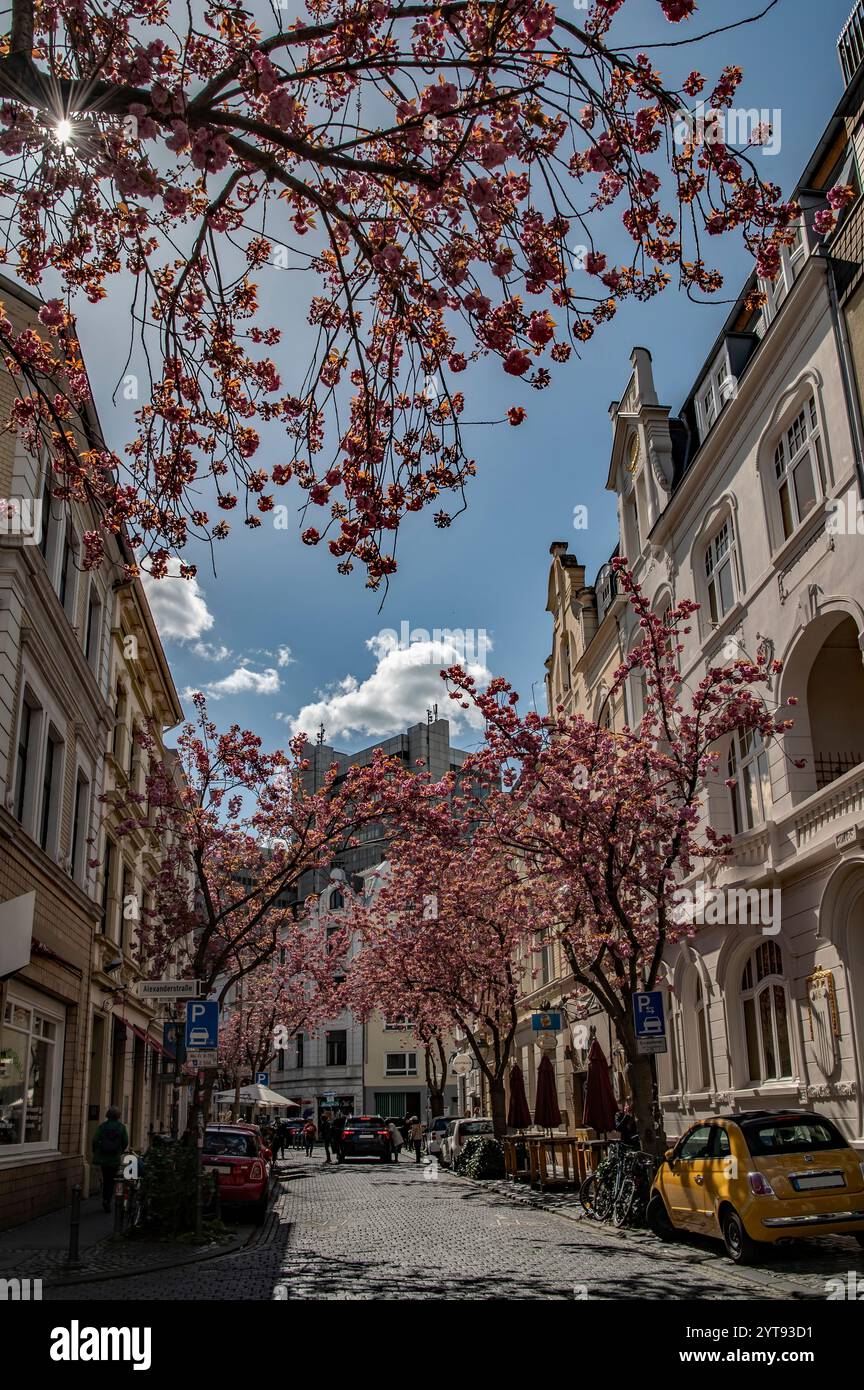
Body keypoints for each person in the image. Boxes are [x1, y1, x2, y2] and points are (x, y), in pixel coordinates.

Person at [92, 1105, 129, 1213]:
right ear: (118, 1116)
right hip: (114, 1158)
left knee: (106, 1178)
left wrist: (96, 1151)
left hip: (103, 1158)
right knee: (112, 1180)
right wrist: (120, 1151)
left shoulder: (102, 1127)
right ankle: (108, 1199)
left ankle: (105, 1198)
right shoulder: (121, 1127)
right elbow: (125, 1141)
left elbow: (95, 1140)